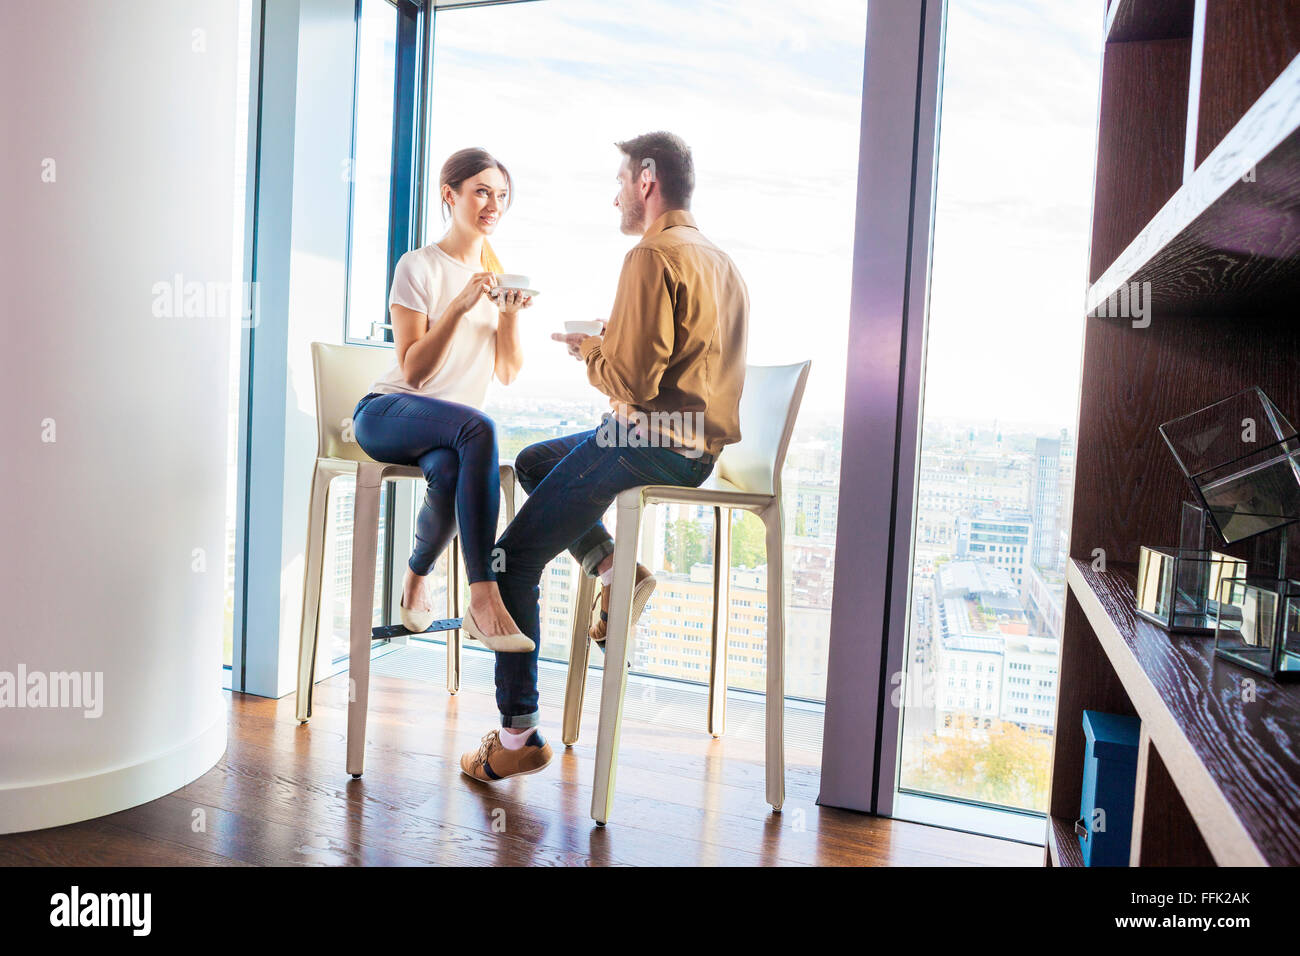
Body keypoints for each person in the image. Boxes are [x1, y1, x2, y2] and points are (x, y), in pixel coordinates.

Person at [460, 131, 750, 782]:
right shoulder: (720, 261)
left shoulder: (651, 256)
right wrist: (614, 342)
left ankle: (517, 735)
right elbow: (683, 365)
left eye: (620, 181)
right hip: (694, 449)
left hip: (647, 442)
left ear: (647, 180)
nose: (615, 194)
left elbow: (636, 384)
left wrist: (594, 352)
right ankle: (619, 568)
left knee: (509, 562)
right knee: (535, 461)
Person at [351, 148, 534, 653]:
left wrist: (510, 315)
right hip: (388, 414)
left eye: (501, 195)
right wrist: (458, 306)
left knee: (454, 470)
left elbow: (508, 372)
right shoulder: (420, 266)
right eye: (481, 191)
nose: (492, 203)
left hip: (448, 433)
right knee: (479, 428)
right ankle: (483, 597)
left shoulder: (497, 278)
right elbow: (415, 369)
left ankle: (415, 576)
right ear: (449, 195)